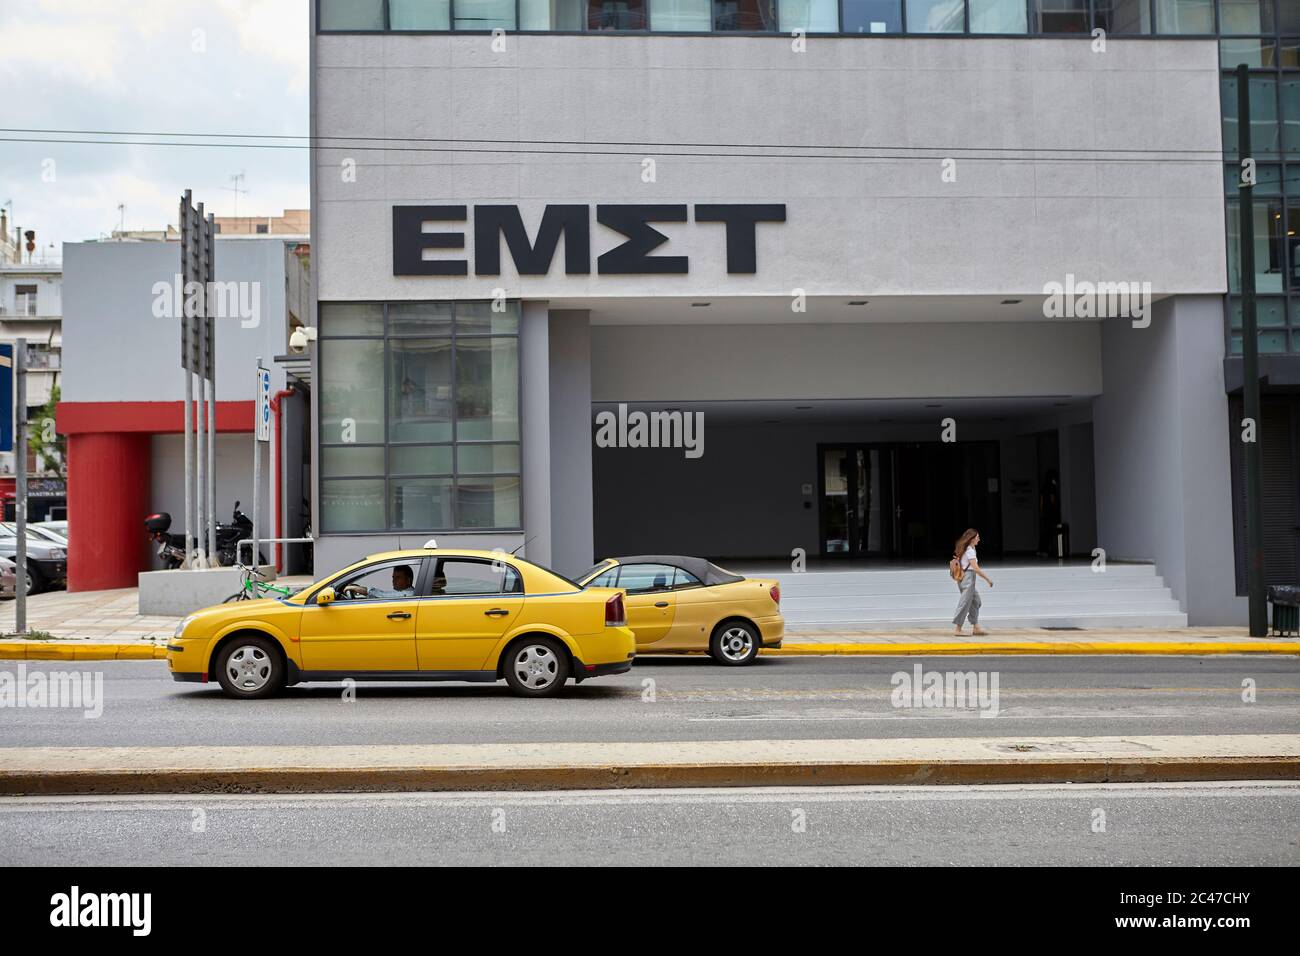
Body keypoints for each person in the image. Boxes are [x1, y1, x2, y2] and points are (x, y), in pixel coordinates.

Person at [952, 528, 993, 636]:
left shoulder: (967, 549)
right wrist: (988, 579)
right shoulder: (969, 550)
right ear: (971, 539)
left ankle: (976, 627)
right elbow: (976, 568)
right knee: (965, 603)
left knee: (976, 601)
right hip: (968, 579)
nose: (979, 539)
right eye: (977, 537)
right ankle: (958, 629)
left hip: (964, 578)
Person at [344, 564, 416, 600]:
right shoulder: (404, 593)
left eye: (398, 577)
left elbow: (381, 595)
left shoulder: (408, 595)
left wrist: (354, 588)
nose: (393, 580)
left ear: (408, 580)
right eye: (393, 577)